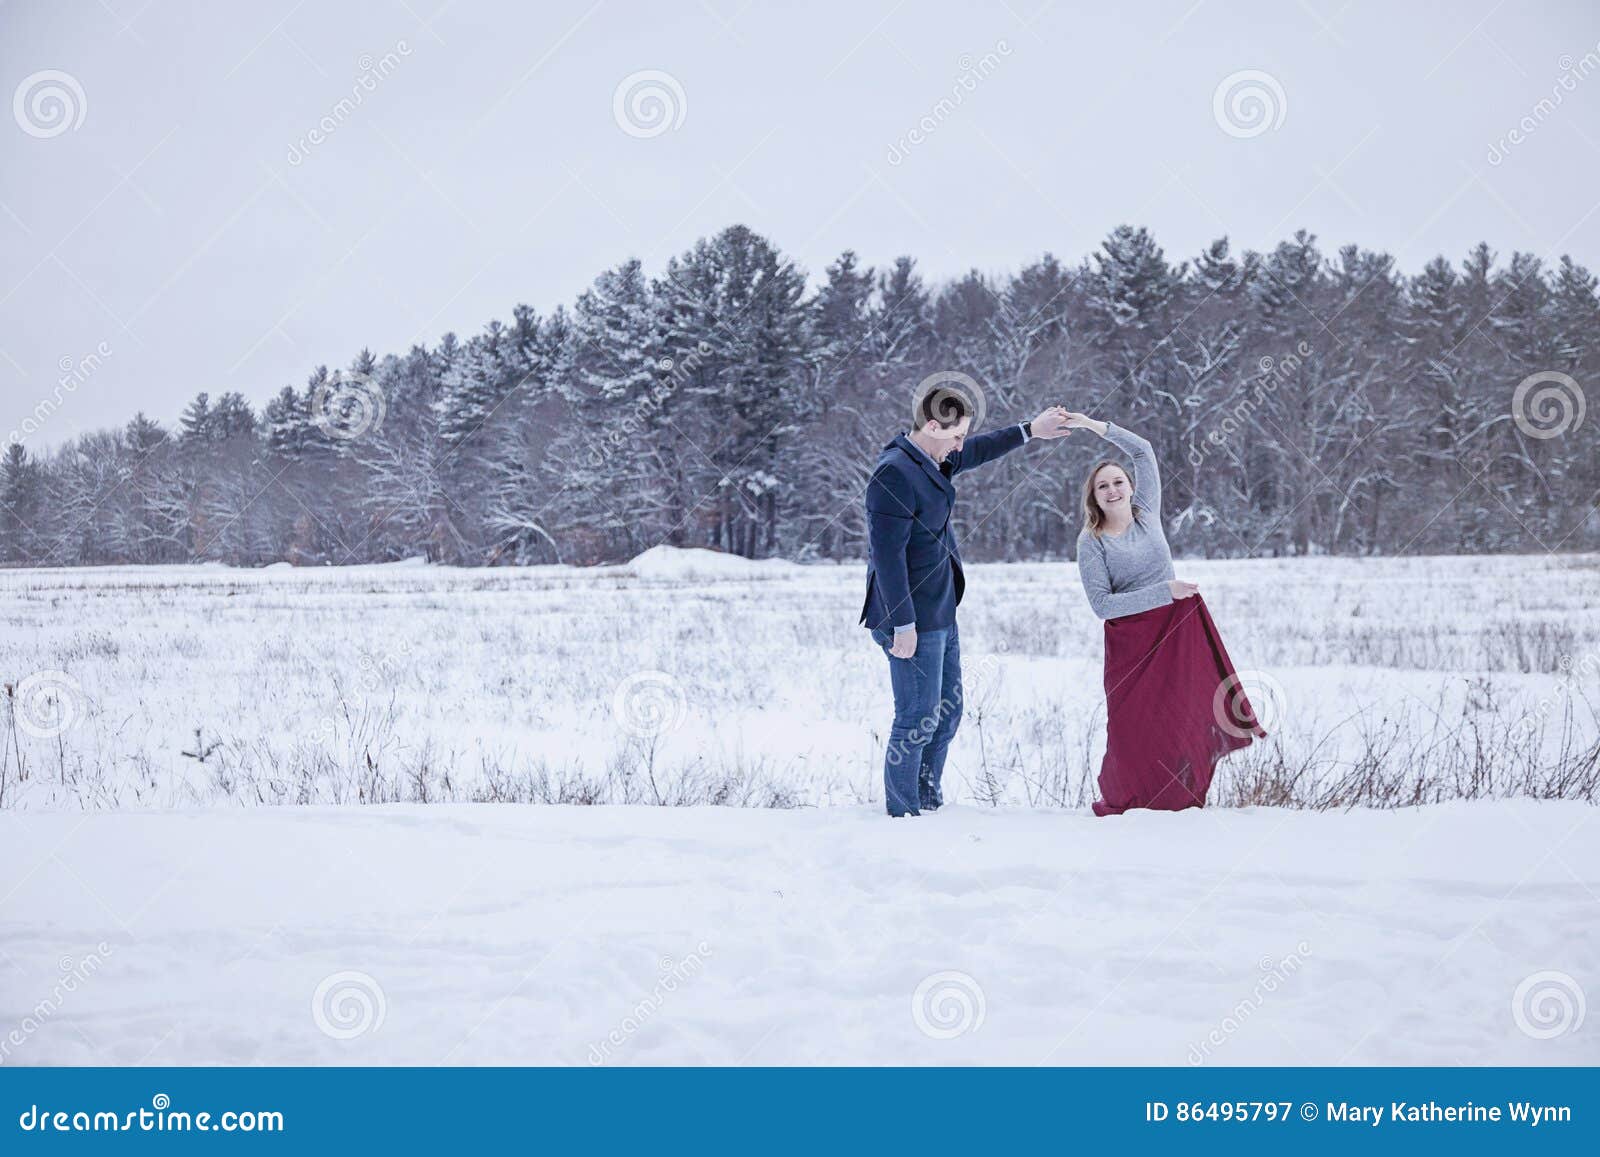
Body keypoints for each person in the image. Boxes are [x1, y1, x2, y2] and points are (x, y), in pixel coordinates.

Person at [860, 386, 1071, 817]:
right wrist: (902, 625)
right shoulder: (894, 473)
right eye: (955, 436)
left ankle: (927, 801)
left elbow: (977, 450)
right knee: (916, 718)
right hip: (909, 617)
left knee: (946, 713)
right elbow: (887, 557)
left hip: (939, 610)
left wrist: (1032, 430)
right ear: (933, 426)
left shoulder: (930, 457)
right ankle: (902, 816)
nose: (959, 446)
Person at [1065, 411, 1265, 816]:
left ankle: (1180, 801)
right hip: (1131, 644)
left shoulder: (1147, 512)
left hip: (1175, 630)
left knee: (1180, 718)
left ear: (1131, 486)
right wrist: (1164, 591)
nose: (1112, 489)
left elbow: (1143, 450)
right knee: (1132, 730)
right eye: (1102, 486)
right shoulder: (1091, 542)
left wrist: (1091, 425)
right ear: (1093, 496)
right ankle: (1127, 801)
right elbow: (1102, 605)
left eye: (1118, 481)